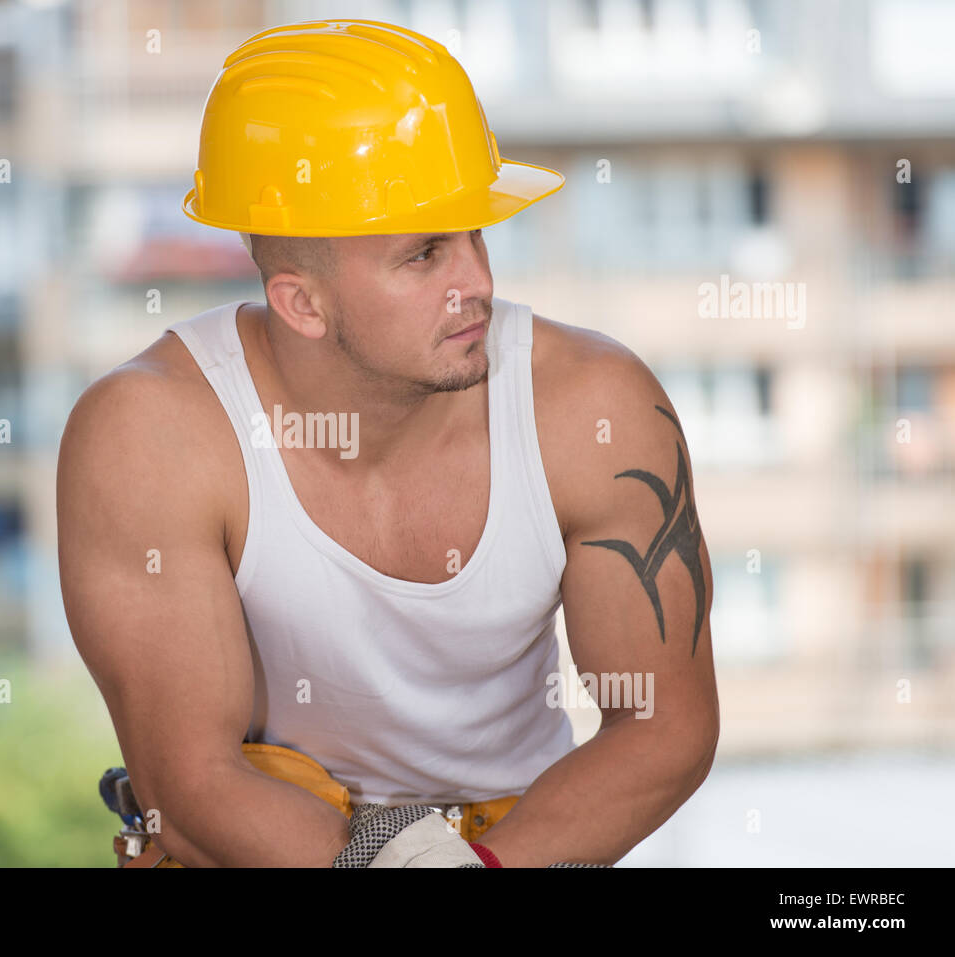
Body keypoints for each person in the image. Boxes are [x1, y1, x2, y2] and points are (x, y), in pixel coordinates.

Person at [57, 19, 719, 868]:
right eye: (424, 255)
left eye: (477, 233)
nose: (477, 281)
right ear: (302, 303)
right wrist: (397, 857)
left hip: (522, 844)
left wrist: (471, 866)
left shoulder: (596, 407)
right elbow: (190, 787)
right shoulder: (150, 435)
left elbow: (665, 725)